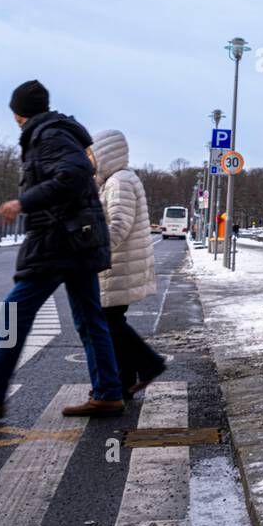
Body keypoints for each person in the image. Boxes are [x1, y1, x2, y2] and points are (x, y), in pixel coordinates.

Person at [0, 80, 125, 421]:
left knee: (14, 313)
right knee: (89, 318)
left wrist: (22, 202)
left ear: (17, 113)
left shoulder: (48, 136)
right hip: (76, 240)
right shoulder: (57, 132)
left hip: (59, 242)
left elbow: (74, 175)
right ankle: (109, 393)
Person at [89, 129, 166, 399]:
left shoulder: (118, 182)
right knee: (112, 323)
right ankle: (124, 381)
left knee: (108, 323)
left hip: (117, 266)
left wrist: (93, 245)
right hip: (119, 265)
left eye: (91, 153)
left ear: (104, 153)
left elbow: (119, 226)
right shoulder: (116, 179)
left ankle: (149, 364)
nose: (89, 158)